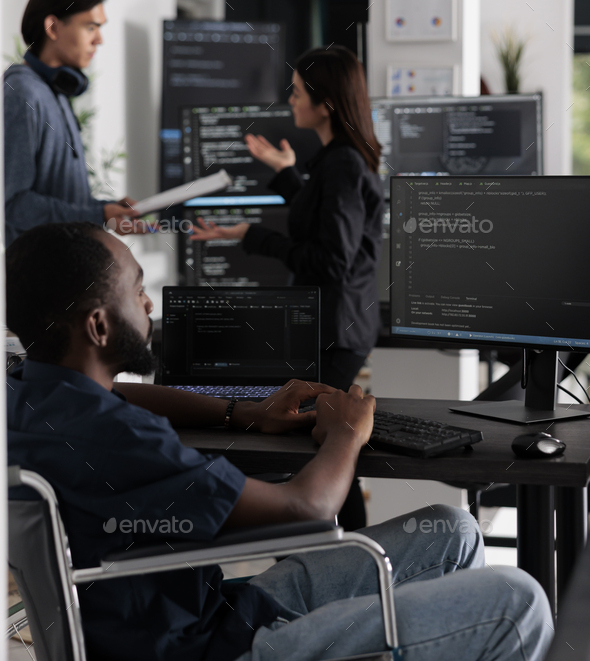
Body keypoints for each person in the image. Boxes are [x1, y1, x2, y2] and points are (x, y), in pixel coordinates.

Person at [7, 222, 552, 661]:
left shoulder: (28, 394)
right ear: (100, 327)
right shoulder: (118, 437)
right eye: (137, 290)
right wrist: (347, 432)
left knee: (450, 530)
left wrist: (243, 412)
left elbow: (125, 397)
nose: (149, 305)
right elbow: (307, 509)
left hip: (211, 610)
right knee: (515, 600)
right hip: (212, 648)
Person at [191, 45, 383, 528]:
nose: (290, 101)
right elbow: (321, 223)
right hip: (340, 323)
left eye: (297, 93)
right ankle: (348, 547)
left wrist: (254, 236)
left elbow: (329, 259)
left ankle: (350, 549)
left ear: (327, 104)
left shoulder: (340, 164)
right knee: (326, 441)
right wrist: (285, 173)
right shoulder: (339, 158)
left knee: (324, 442)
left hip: (335, 327)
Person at [4, 0, 143, 246]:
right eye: (90, 27)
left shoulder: (55, 91)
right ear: (53, 28)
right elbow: (14, 206)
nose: (99, 40)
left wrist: (108, 209)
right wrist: (98, 213)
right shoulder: (23, 94)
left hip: (67, 272)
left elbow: (61, 197)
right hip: (42, 279)